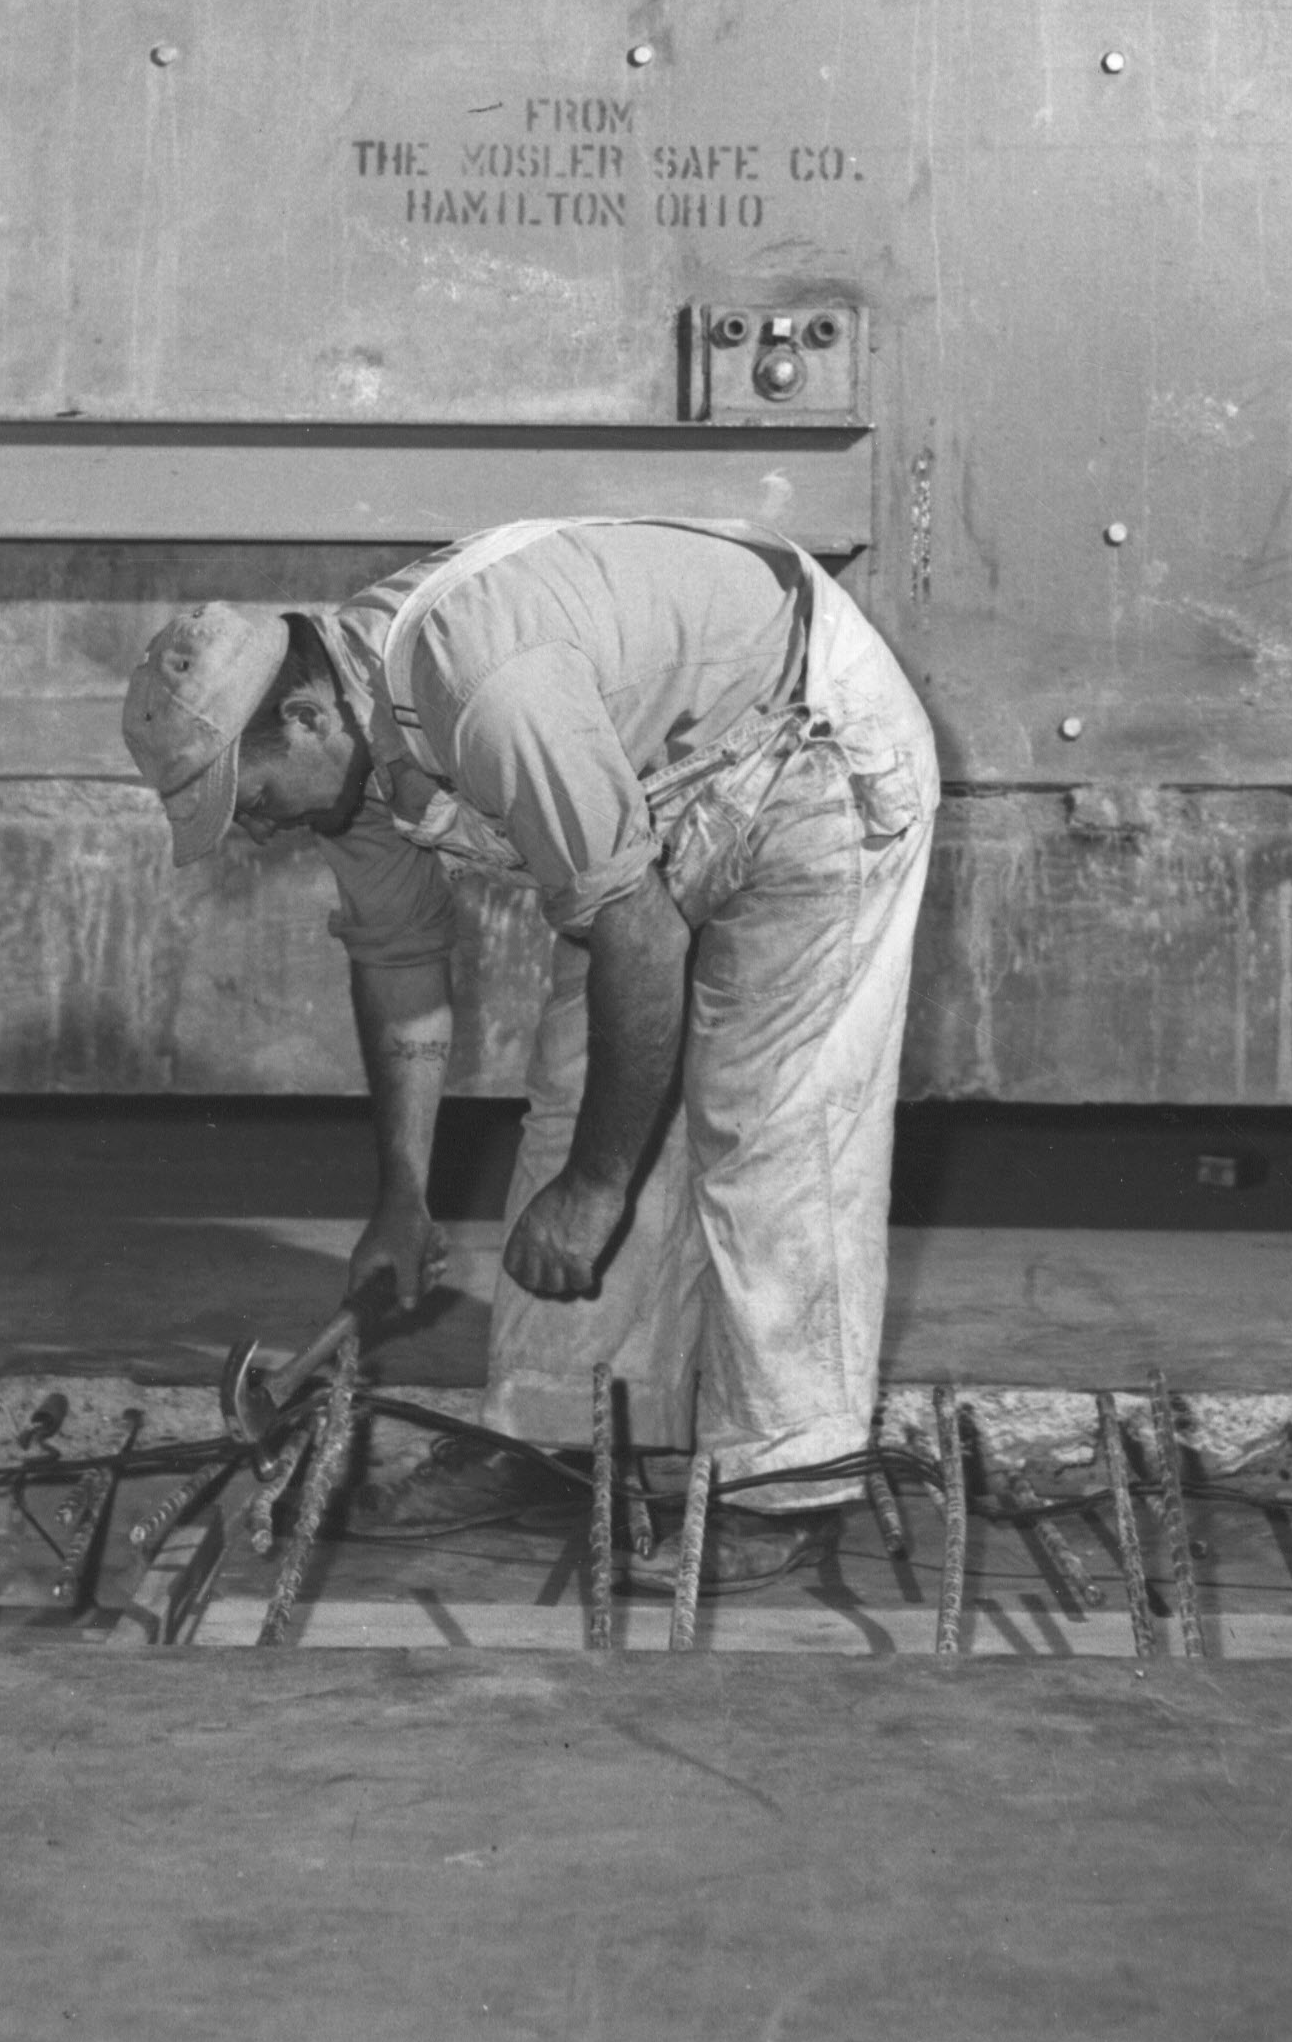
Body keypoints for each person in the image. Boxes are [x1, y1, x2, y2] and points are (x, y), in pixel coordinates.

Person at [122, 522, 939, 1568]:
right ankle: (553, 1442)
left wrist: (598, 1192)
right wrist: (402, 1198)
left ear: (305, 714)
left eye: (255, 798)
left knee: (770, 1125)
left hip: (813, 751)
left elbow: (635, 939)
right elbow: (399, 970)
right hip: (665, 783)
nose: (258, 831)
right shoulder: (356, 767)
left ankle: (782, 1485)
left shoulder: (484, 691)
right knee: (572, 1105)